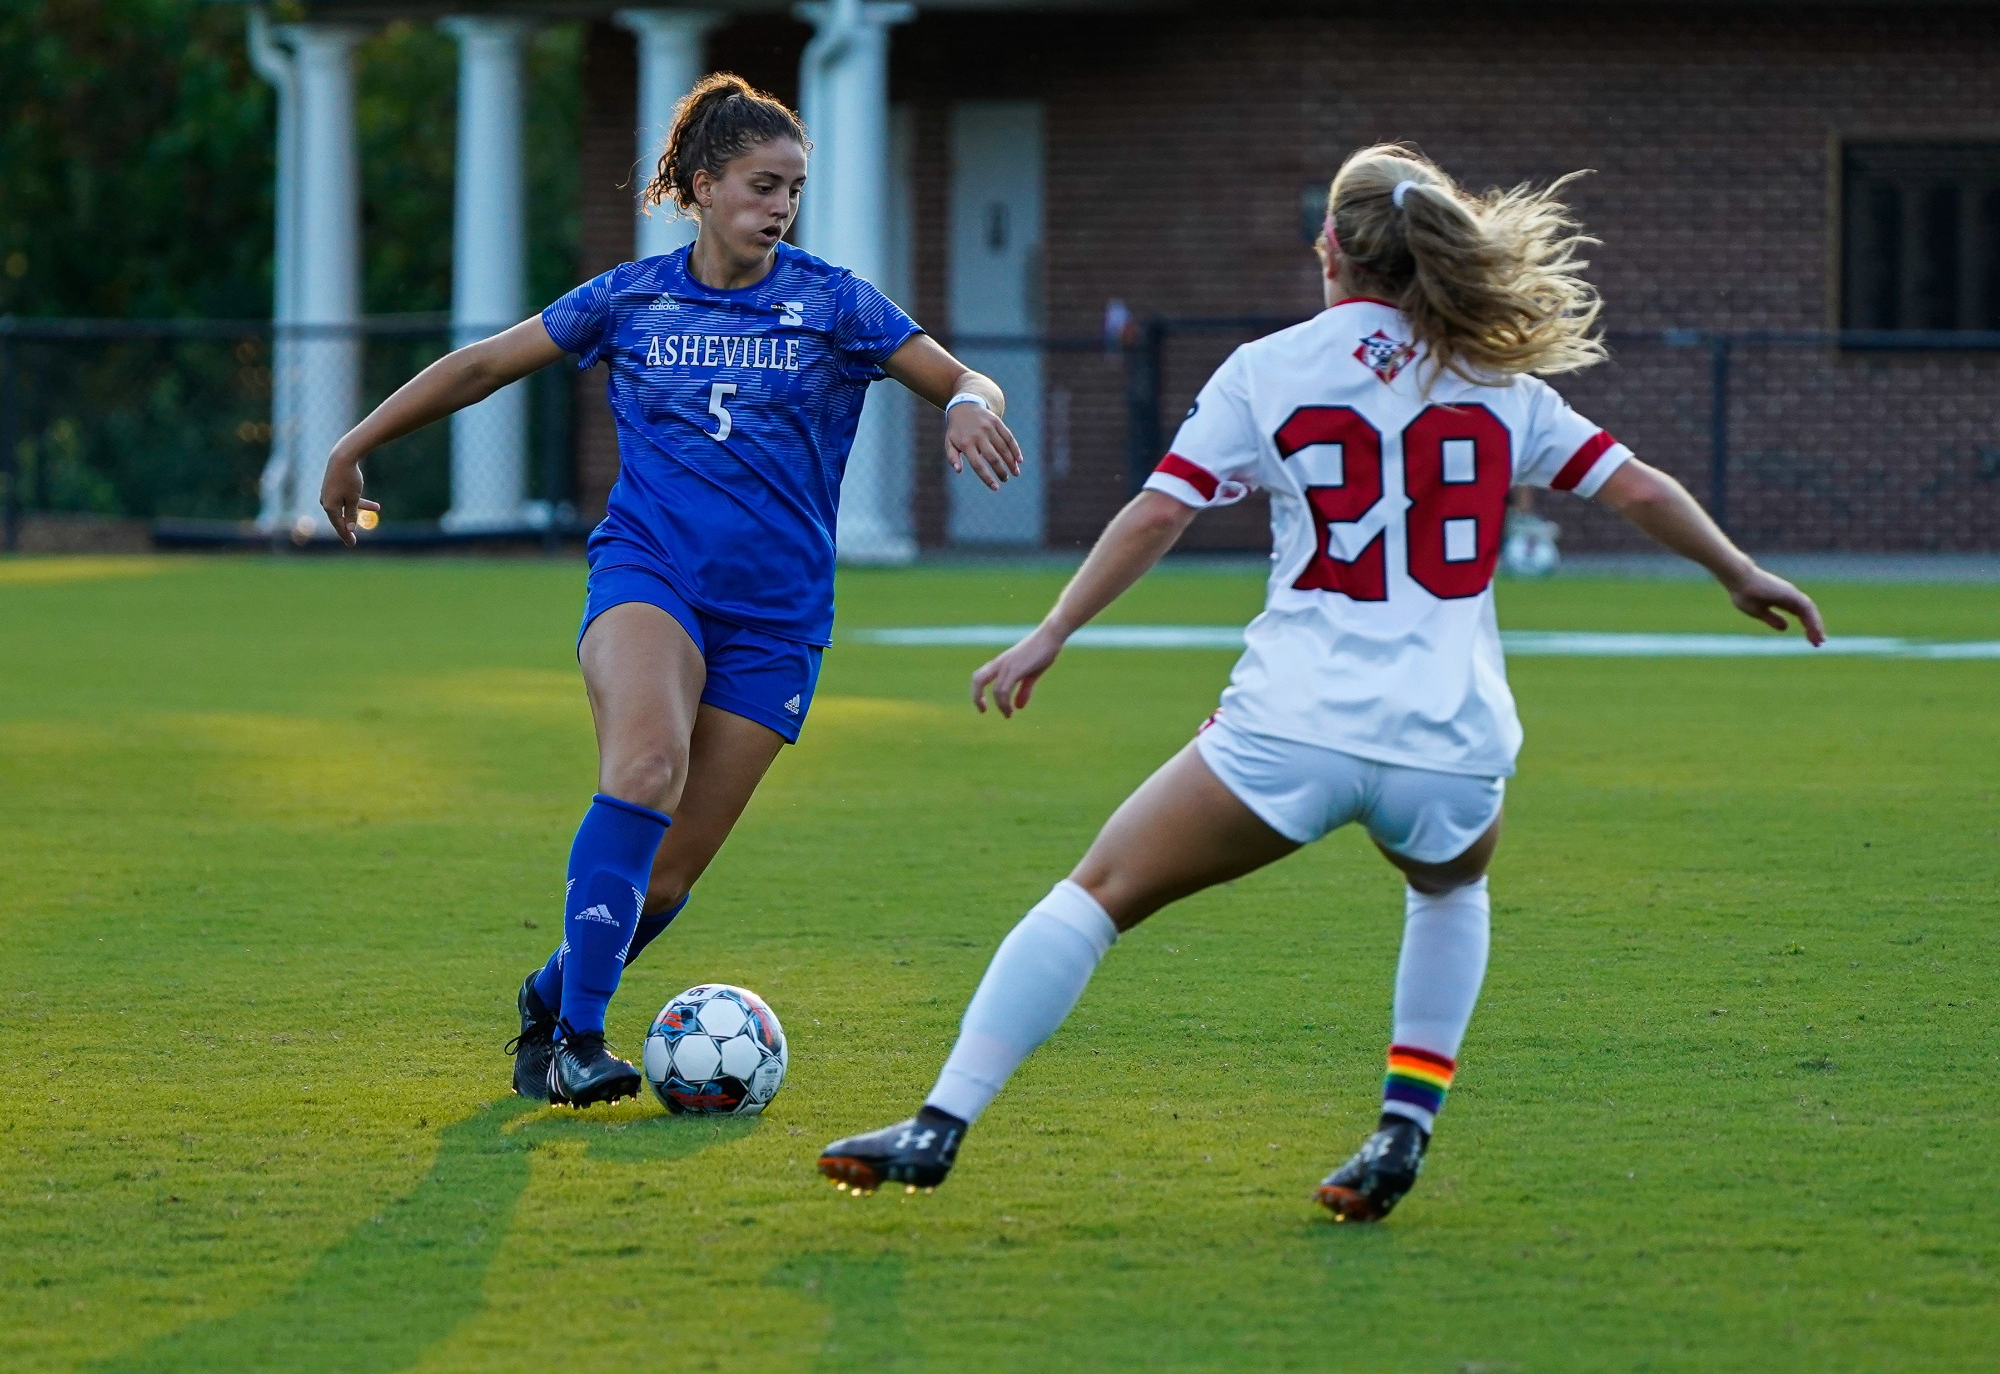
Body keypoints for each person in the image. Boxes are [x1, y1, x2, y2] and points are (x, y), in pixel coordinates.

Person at [818, 144, 1824, 1219]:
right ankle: (1402, 1128)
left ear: (1329, 247)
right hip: (1449, 737)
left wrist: (1052, 628)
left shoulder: (1269, 368)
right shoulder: (1494, 378)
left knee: (1096, 897)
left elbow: (1159, 509)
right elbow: (1635, 486)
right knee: (1447, 890)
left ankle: (940, 1119)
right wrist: (1736, 568)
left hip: (1291, 726)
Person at [319, 74, 1023, 1108]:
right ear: (701, 187)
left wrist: (967, 401)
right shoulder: (628, 297)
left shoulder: (834, 302)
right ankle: (579, 1040)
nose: (779, 206)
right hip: (649, 576)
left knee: (666, 877)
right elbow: (481, 366)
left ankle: (550, 996)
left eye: (791, 188)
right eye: (758, 184)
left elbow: (966, 378)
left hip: (776, 619)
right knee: (644, 765)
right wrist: (355, 441)